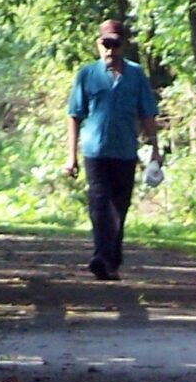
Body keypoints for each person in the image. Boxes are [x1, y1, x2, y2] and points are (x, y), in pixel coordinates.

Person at [65, 20, 161, 280]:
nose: (109, 50)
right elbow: (74, 114)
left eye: (114, 44)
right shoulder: (87, 74)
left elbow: (147, 114)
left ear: (123, 45)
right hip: (95, 151)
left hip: (125, 152)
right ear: (98, 44)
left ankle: (112, 259)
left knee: (119, 206)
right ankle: (101, 257)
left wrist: (155, 148)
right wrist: (71, 156)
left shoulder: (136, 75)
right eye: (105, 44)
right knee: (98, 203)